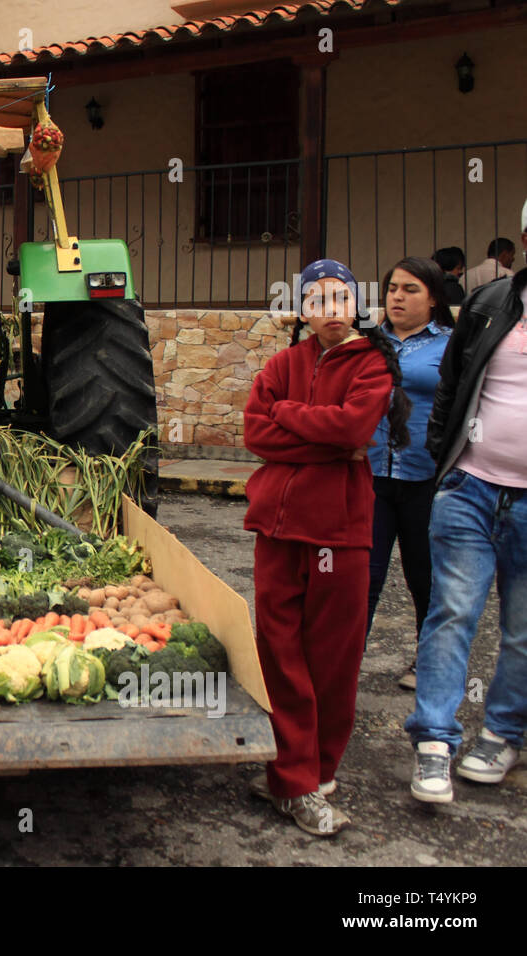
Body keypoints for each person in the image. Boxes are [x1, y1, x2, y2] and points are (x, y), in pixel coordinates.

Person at [243, 258, 411, 837]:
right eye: (317, 300)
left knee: (332, 661)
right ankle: (293, 777)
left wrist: (292, 424)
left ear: (354, 305)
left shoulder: (373, 365)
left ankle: (311, 774)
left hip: (339, 532)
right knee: (279, 653)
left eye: (340, 298)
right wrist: (318, 431)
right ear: (304, 310)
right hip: (276, 528)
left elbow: (352, 430)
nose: (330, 310)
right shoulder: (282, 364)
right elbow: (254, 430)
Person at [405, 198, 527, 804]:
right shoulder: (490, 304)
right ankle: (434, 743)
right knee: (451, 614)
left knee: (523, 630)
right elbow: (452, 382)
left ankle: (501, 734)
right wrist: (445, 463)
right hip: (471, 488)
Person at [366, 257, 454, 690]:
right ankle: (347, 660)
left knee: (427, 577)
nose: (397, 296)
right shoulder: (365, 343)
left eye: (411, 289)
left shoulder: (452, 346)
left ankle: (429, 663)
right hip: (370, 477)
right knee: (365, 575)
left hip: (427, 480)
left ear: (434, 297)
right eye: (393, 288)